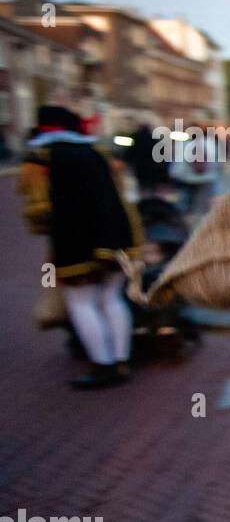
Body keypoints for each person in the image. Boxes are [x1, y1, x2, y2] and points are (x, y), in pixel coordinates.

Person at [22, 105, 142, 388]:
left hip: (75, 241)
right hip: (117, 237)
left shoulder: (41, 158)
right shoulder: (99, 153)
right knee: (112, 297)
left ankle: (103, 364)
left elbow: (39, 211)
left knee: (81, 302)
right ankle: (122, 360)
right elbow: (120, 193)